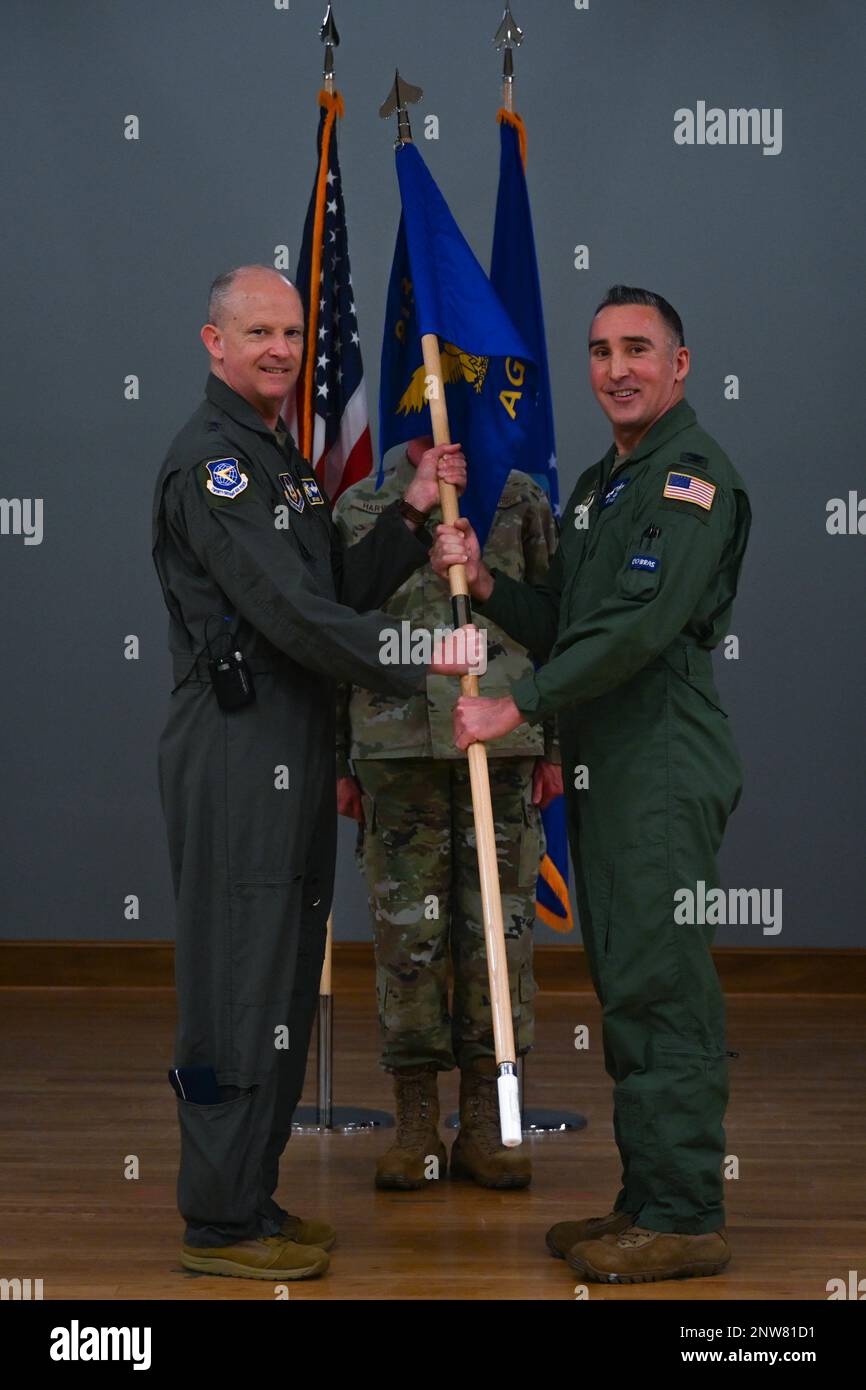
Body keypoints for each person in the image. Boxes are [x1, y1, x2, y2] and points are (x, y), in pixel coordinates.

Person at [151, 265, 470, 1281]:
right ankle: (217, 1219)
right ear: (213, 342)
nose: (282, 350)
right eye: (258, 334)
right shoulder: (216, 464)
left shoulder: (275, 455)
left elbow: (319, 587)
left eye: (291, 332)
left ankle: (251, 1191)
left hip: (286, 744)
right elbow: (289, 618)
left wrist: (412, 516)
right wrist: (419, 652)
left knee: (282, 979)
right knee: (238, 978)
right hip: (238, 751)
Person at [431, 285, 751, 1284]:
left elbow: (635, 631)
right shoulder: (600, 484)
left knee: (660, 988)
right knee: (627, 985)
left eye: (637, 350)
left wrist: (511, 706)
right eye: (600, 350)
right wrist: (488, 586)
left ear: (679, 364)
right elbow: (573, 614)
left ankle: (686, 1213)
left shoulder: (688, 476)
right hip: (610, 758)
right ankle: (646, 1197)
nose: (616, 368)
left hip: (658, 754)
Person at [333, 436, 563, 1191]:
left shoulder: (520, 498)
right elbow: (335, 633)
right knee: (410, 943)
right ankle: (416, 1124)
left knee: (496, 935)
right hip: (396, 751)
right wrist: (341, 758)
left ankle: (490, 1123)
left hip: (500, 745)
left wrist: (555, 743)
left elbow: (558, 625)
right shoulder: (363, 505)